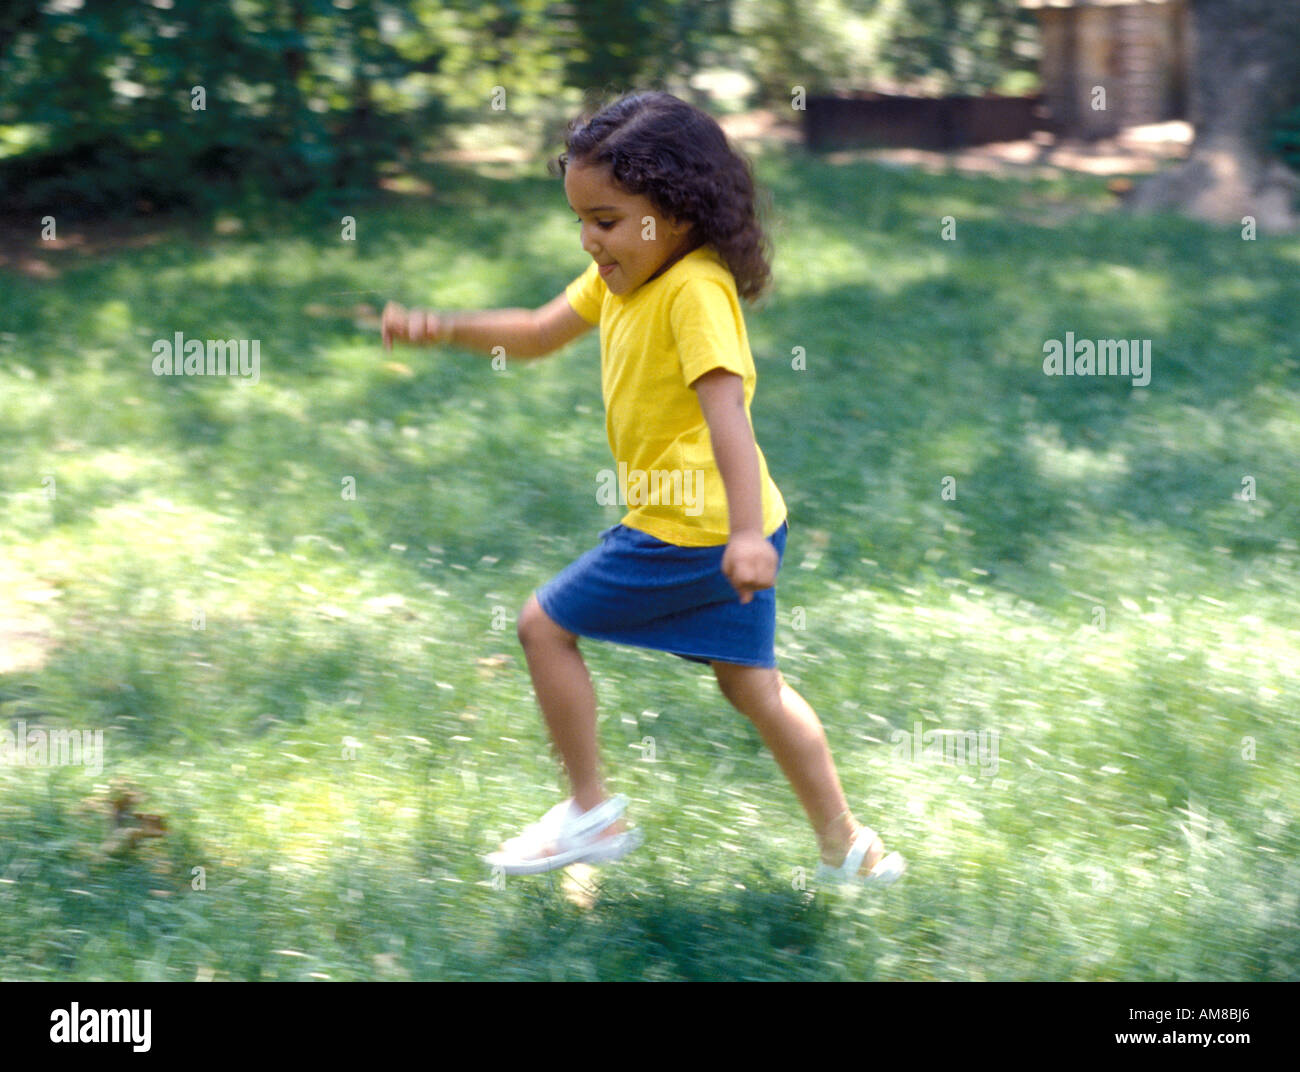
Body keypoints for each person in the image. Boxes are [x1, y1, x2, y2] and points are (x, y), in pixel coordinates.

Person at [381, 90, 903, 888]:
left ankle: (590, 811)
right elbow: (535, 331)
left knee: (542, 626)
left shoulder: (694, 290)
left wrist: (742, 538)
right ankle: (849, 848)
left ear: (679, 211)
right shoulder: (627, 277)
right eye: (582, 221)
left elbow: (726, 411)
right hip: (731, 524)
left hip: (694, 529)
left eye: (608, 220)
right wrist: (442, 327)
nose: (591, 241)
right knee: (755, 688)